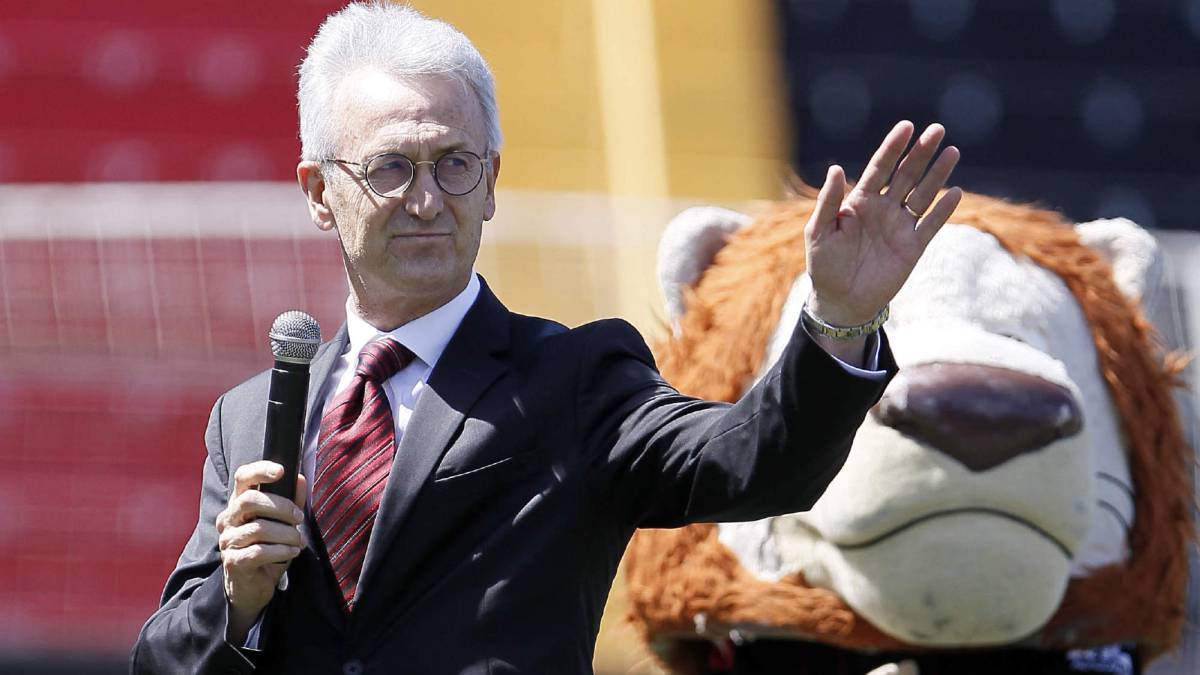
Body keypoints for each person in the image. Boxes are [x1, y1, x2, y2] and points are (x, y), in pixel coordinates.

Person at [130, 2, 961, 673]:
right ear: (318, 191)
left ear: (491, 182)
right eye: (391, 168)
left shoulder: (574, 375)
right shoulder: (248, 419)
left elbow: (756, 459)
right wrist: (237, 599)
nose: (428, 200)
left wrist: (841, 317)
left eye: (455, 163)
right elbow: (164, 659)